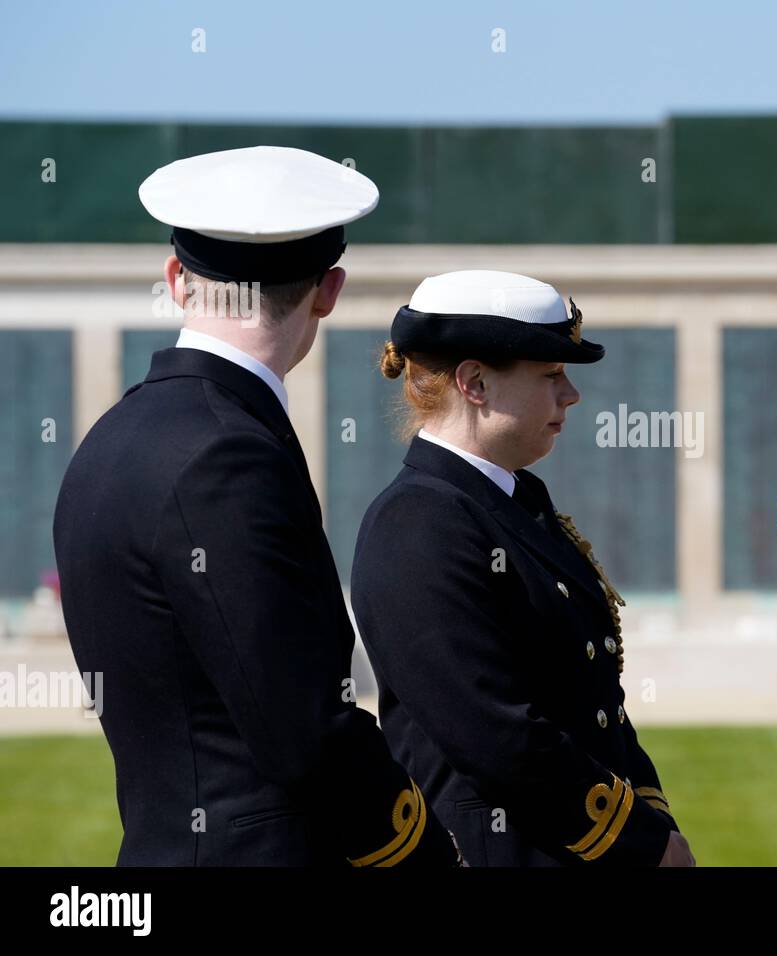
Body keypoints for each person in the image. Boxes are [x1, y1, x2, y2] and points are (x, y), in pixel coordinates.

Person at [53, 146, 457, 866]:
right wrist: (428, 852)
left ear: (177, 279)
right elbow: (304, 732)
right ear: (329, 289)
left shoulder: (109, 441)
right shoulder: (228, 454)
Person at [350, 270, 694, 866]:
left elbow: (596, 703)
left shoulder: (516, 503)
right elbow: (493, 734)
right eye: (551, 375)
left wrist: (651, 819)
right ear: (475, 382)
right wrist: (635, 843)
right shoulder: (417, 523)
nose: (571, 395)